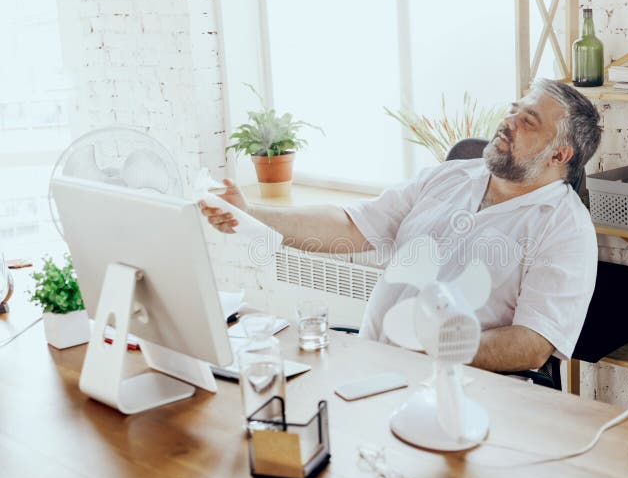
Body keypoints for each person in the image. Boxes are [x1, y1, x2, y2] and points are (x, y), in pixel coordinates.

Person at [200, 78, 602, 373]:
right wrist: (250, 212)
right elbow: (352, 225)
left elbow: (531, 344)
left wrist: (428, 347)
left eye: (528, 120)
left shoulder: (566, 230)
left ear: (559, 154)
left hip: (460, 388)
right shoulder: (450, 176)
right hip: (371, 365)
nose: (508, 121)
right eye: (513, 108)